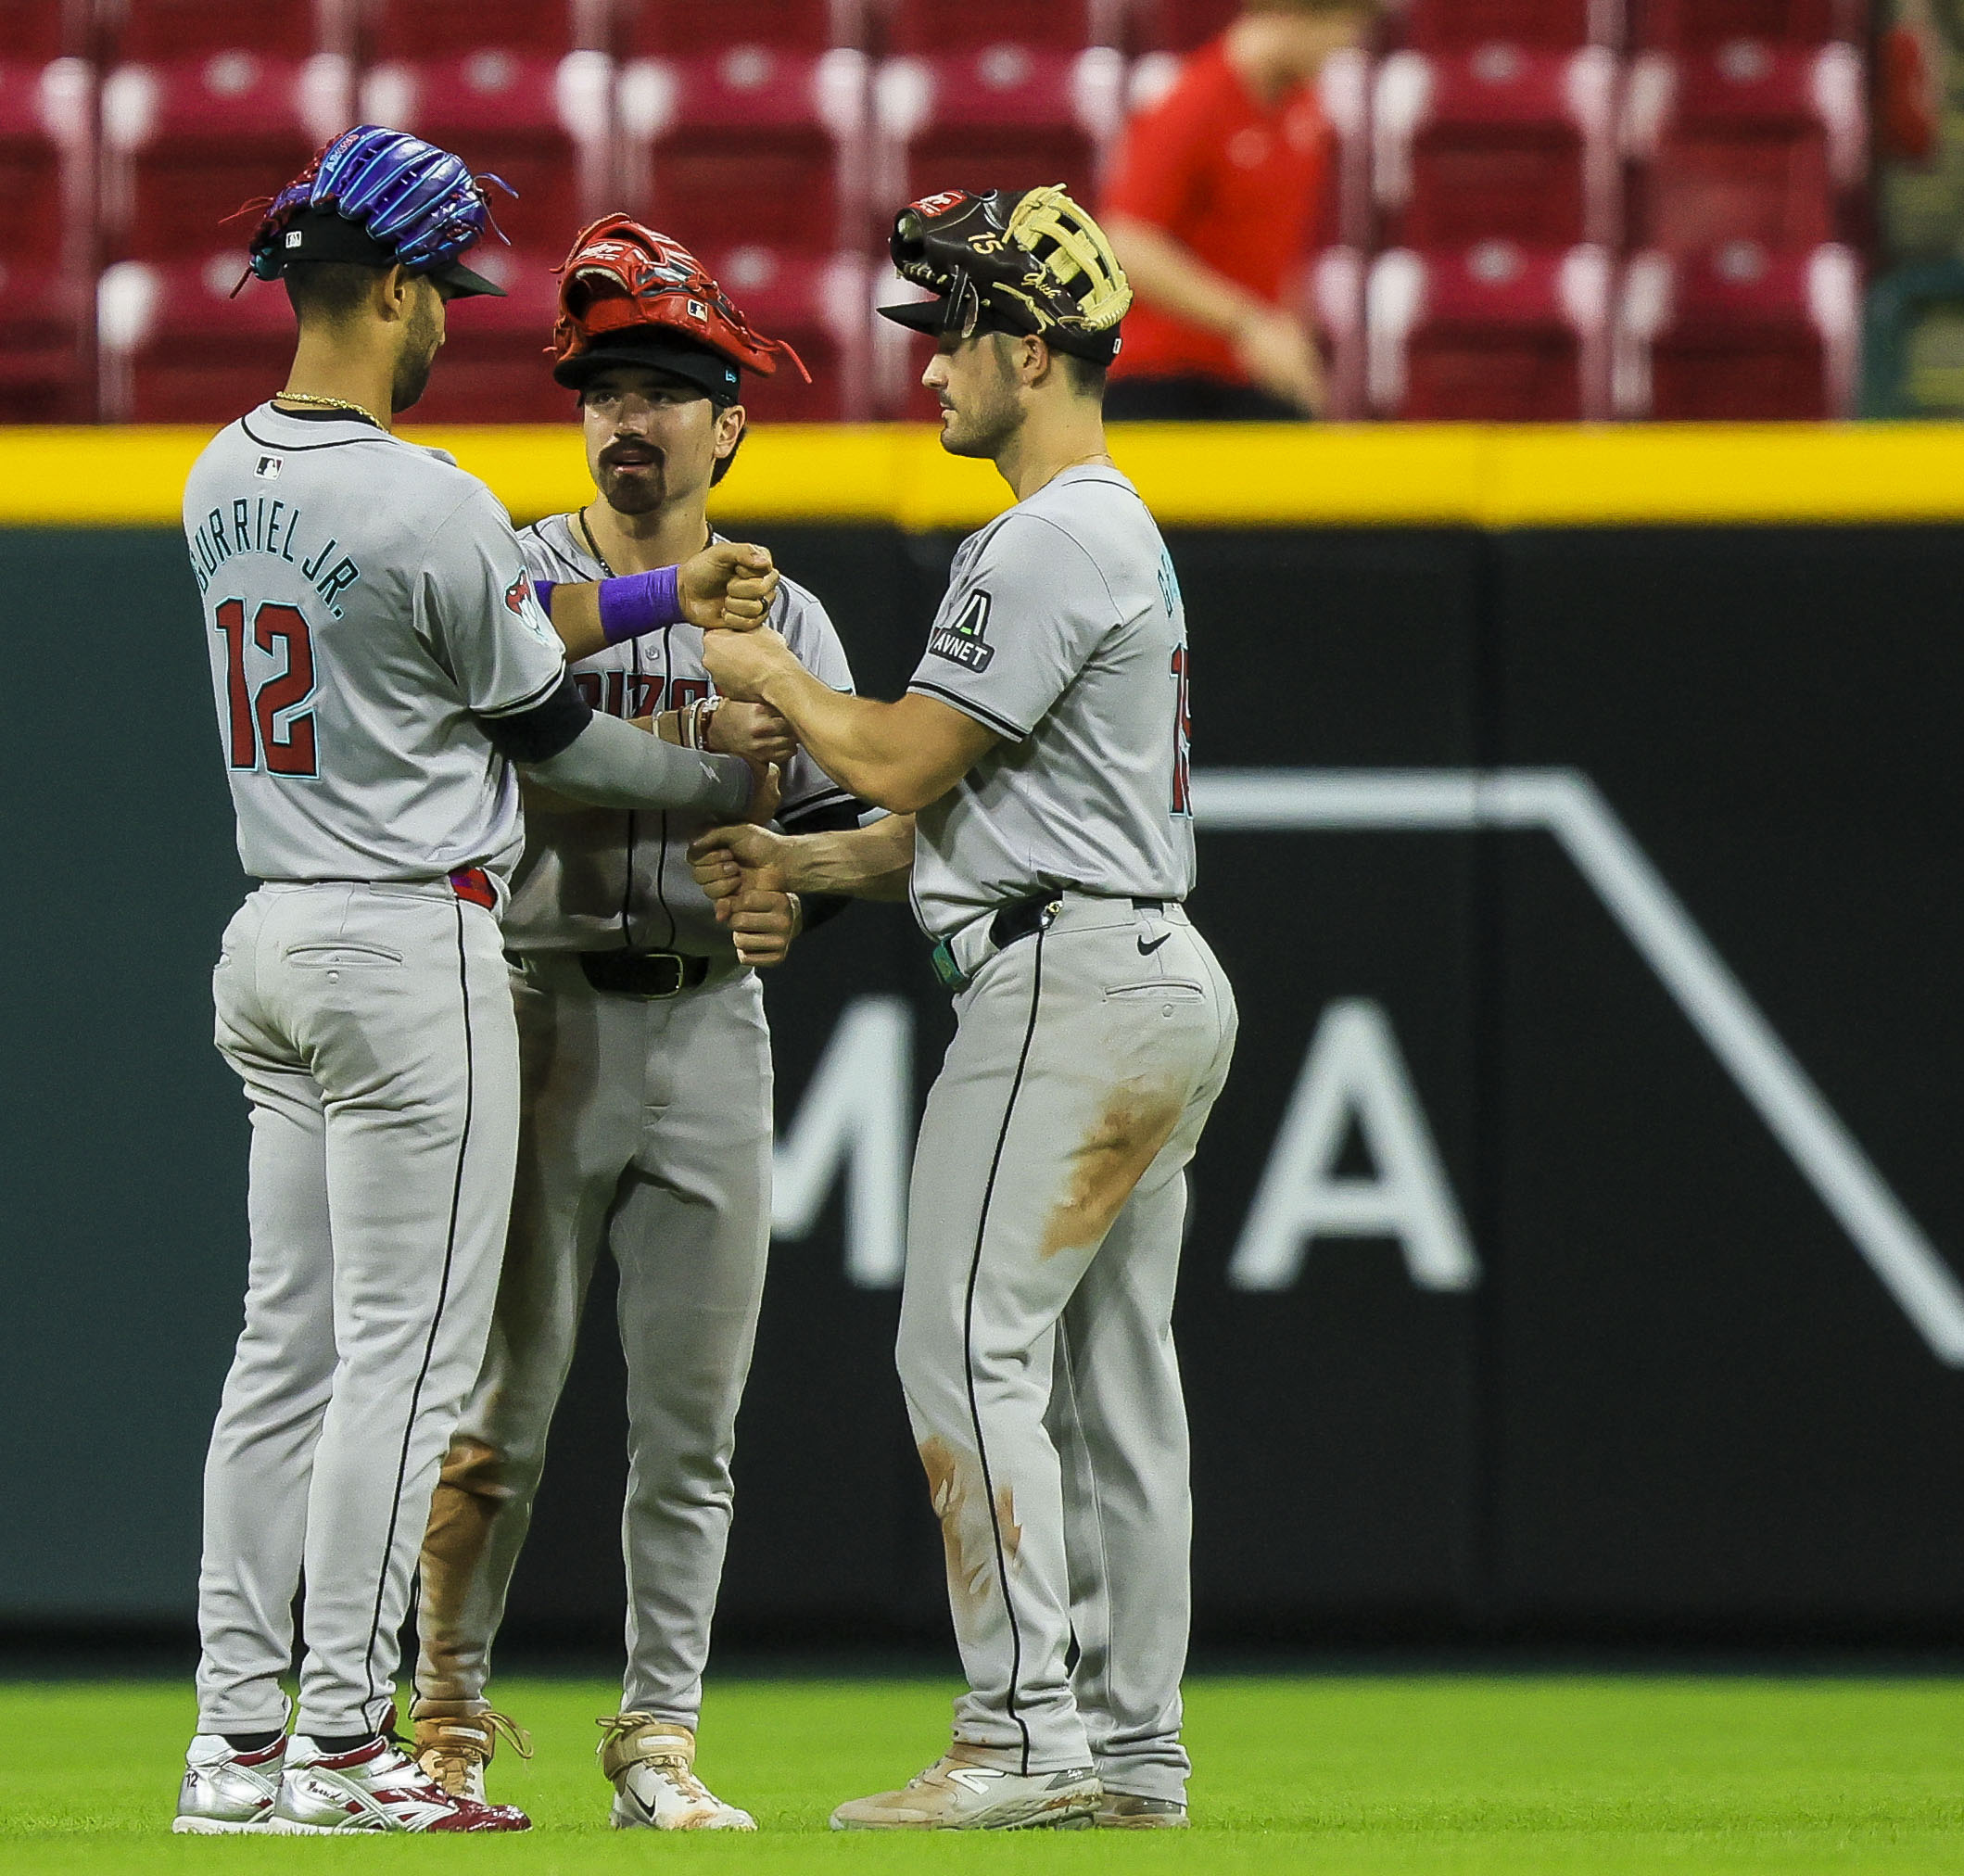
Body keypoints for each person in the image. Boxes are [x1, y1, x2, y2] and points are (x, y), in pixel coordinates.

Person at [170, 126, 786, 1838]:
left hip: (272, 928)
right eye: (435, 286)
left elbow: (484, 614)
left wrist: (660, 587)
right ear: (379, 287)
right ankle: (355, 1740)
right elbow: (539, 718)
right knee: (410, 1365)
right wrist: (725, 784)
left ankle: (234, 1741)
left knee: (277, 1351)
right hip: (403, 938)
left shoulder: (219, 472)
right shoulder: (429, 493)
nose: (447, 317)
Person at [694, 185, 1241, 1831]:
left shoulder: (1046, 530)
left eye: (953, 333)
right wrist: (805, 863)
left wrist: (773, 676)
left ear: (1028, 346)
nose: (930, 363)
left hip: (1065, 984)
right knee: (1114, 1386)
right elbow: (961, 826)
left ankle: (1017, 1736)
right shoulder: (1114, 526)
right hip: (1138, 958)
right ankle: (1132, 1748)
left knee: (964, 1343)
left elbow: (905, 758)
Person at [406, 214, 869, 1833]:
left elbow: (830, 837)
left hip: (703, 1023)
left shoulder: (791, 621)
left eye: (669, 384)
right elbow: (493, 694)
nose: (633, 411)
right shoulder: (516, 570)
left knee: (690, 1426)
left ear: (727, 419)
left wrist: (785, 886)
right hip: (536, 1013)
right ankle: (447, 1719)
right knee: (498, 1414)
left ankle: (657, 1735)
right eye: (606, 381)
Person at [1098, 0, 1375, 420]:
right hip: (1161, 375)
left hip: (1251, 371)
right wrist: (1247, 322)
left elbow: (1279, 246)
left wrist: (1292, 342)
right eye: (1337, 35)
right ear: (1290, 16)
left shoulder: (1304, 108)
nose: (1338, 52)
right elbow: (1127, 240)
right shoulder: (1190, 102)